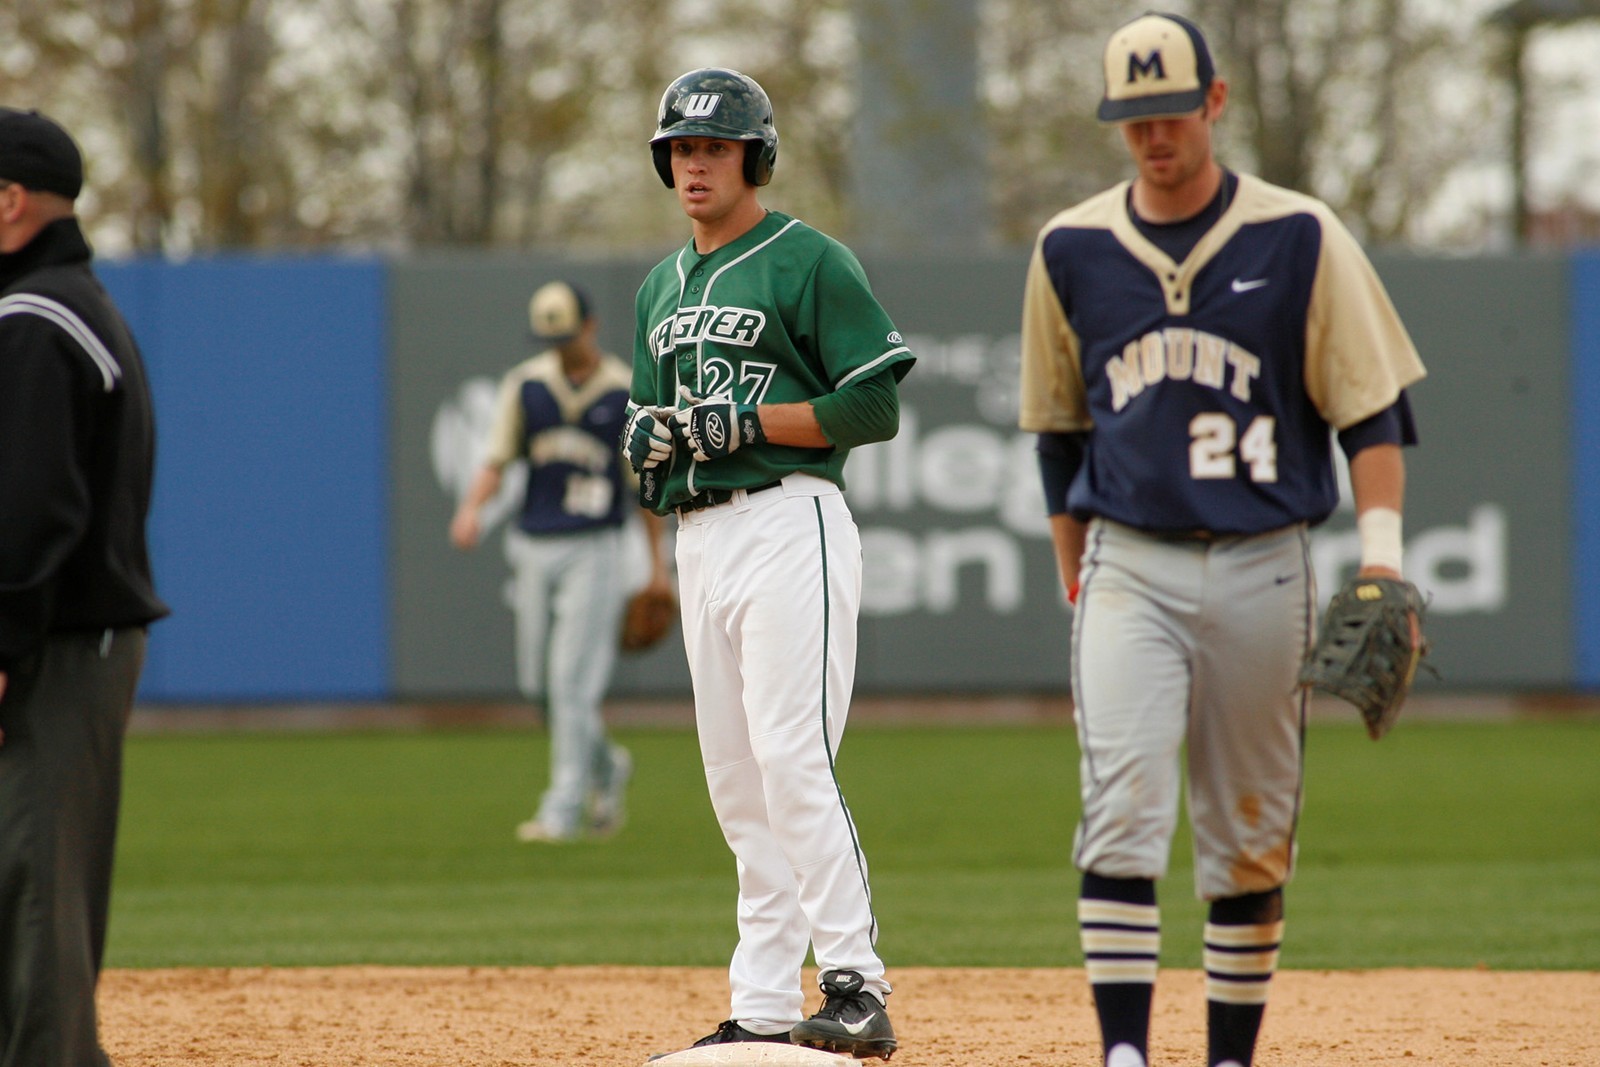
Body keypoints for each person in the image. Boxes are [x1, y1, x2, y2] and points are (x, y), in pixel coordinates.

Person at [1018, 14, 1425, 1067]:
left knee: (1248, 832)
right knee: (1121, 810)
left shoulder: (1298, 235)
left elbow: (1370, 413)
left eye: (1170, 112)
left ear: (1214, 100)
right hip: (1130, 561)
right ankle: (1123, 1053)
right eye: (1134, 118)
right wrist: (1072, 564)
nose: (1155, 136)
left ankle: (1229, 1057)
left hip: (1264, 556)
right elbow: (1057, 431)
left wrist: (1380, 555)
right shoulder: (1069, 248)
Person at [625, 68, 913, 1060]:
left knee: (790, 754)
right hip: (699, 533)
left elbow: (873, 405)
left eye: (715, 146)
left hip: (792, 518)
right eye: (682, 148)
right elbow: (647, 425)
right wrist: (650, 445)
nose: (696, 163)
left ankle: (855, 980)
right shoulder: (659, 286)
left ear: (755, 155)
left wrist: (744, 420)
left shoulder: (807, 259)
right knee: (736, 779)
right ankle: (756, 1002)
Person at [0, 107, 169, 1067]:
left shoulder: (34, 321)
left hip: (54, 651)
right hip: (65, 643)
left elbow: (28, 514)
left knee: (34, 894)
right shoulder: (70, 304)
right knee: (27, 889)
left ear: (11, 200)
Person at [449, 279, 668, 843]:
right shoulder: (526, 386)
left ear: (590, 326)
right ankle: (607, 767)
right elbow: (496, 459)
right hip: (534, 544)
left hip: (595, 547)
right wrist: (472, 508)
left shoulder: (623, 388)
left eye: (568, 334)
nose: (561, 345)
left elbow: (642, 488)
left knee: (571, 683)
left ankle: (563, 808)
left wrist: (656, 567)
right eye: (551, 336)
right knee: (537, 685)